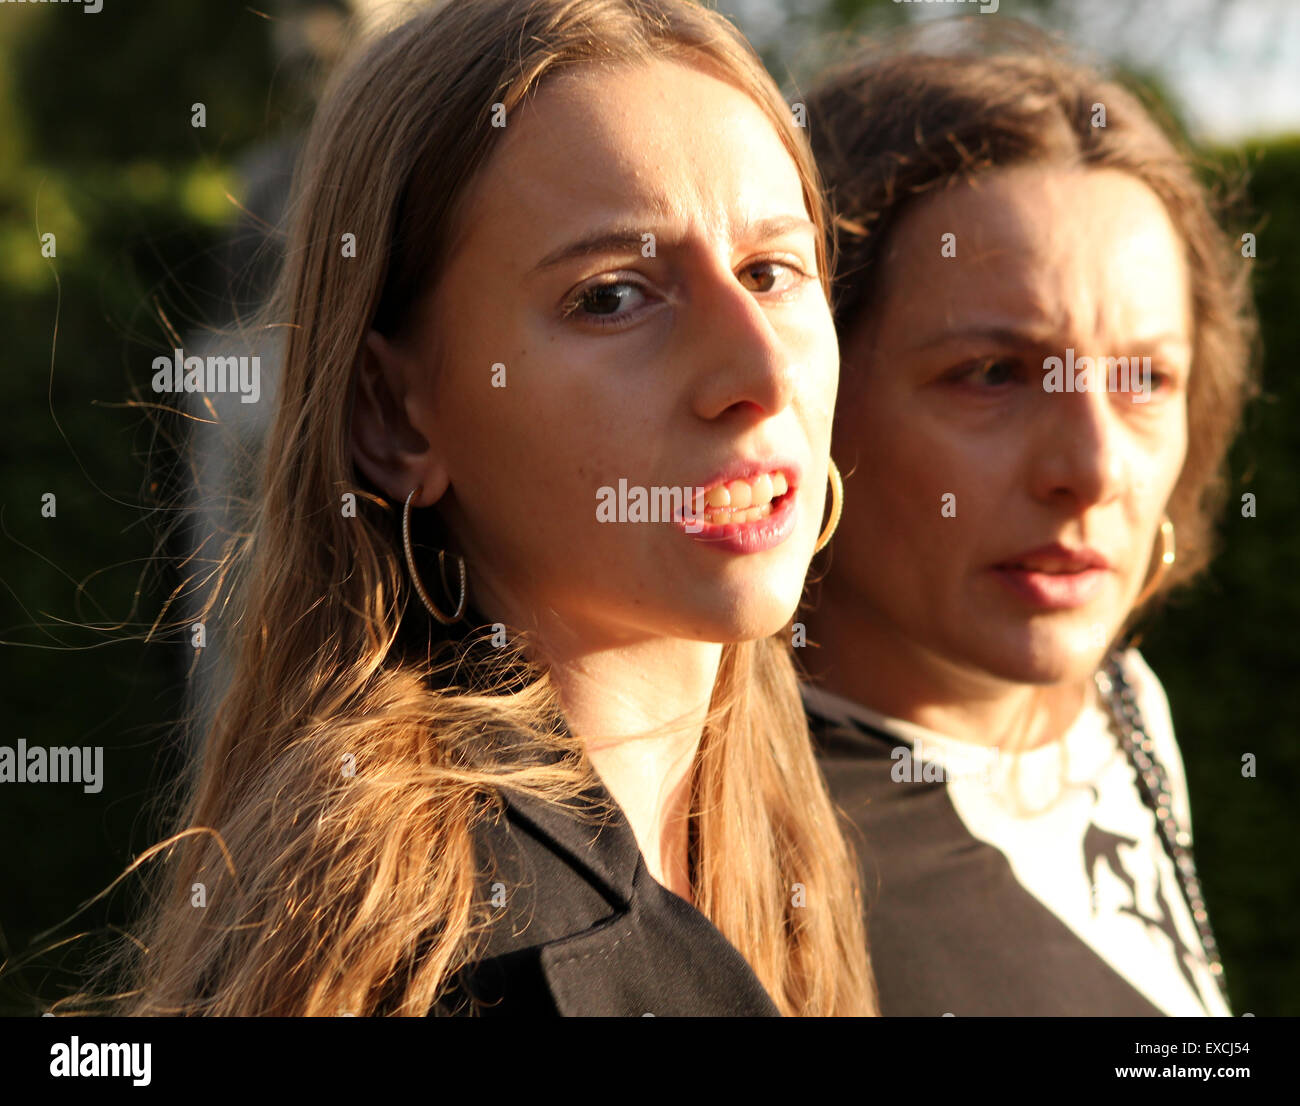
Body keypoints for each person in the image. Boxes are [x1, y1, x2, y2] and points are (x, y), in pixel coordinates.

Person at [64, 0, 875, 1017]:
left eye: (771, 270)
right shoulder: (448, 972)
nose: (757, 368)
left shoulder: (801, 840)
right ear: (395, 415)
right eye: (612, 295)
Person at [800, 22, 1257, 1016]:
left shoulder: (1122, 706)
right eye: (993, 374)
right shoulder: (733, 836)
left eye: (1144, 378)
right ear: (811, 396)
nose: (1091, 468)